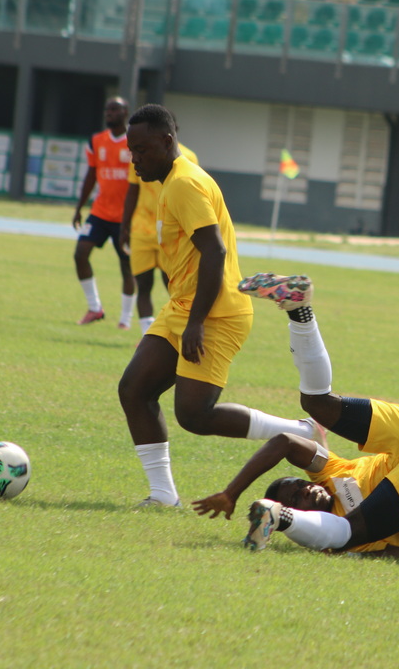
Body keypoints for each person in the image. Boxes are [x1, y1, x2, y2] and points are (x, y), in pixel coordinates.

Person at [117, 104, 322, 507]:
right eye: (131, 150)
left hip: (215, 314)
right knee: (134, 389)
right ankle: (162, 495)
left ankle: (304, 430)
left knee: (194, 415)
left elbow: (215, 253)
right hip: (184, 307)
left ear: (167, 141)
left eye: (141, 149)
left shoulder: (184, 184)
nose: (134, 158)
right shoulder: (170, 182)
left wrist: (195, 322)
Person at [193, 273, 399, 563]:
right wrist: (353, 553)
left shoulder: (331, 478)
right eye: (297, 498)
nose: (308, 489)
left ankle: (298, 307)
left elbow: (285, 442)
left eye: (301, 485)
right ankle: (277, 517)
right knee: (344, 535)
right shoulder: (339, 533)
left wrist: (231, 492)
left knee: (317, 403)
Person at [120, 114, 200, 336]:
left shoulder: (188, 158)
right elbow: (132, 190)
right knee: (143, 285)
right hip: (142, 230)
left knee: (174, 286)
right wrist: (124, 225)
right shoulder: (139, 155)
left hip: (171, 233)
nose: (136, 157)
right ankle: (147, 334)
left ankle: (180, 328)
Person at [72, 97, 137, 328]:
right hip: (99, 212)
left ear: (125, 112)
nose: (109, 113)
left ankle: (125, 320)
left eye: (114, 110)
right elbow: (91, 175)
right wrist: (80, 208)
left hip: (125, 217)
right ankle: (95, 308)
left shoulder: (135, 141)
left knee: (127, 266)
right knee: (80, 254)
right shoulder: (96, 140)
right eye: (107, 110)